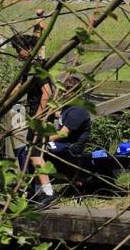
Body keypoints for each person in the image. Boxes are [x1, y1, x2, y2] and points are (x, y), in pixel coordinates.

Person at [28, 75, 90, 207]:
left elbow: (63, 133)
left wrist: (43, 139)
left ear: (77, 92)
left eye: (69, 90)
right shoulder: (69, 107)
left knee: (36, 149)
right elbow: (59, 115)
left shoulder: (78, 110)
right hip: (62, 144)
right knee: (28, 150)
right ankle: (36, 193)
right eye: (64, 90)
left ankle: (48, 194)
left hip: (71, 147)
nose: (65, 93)